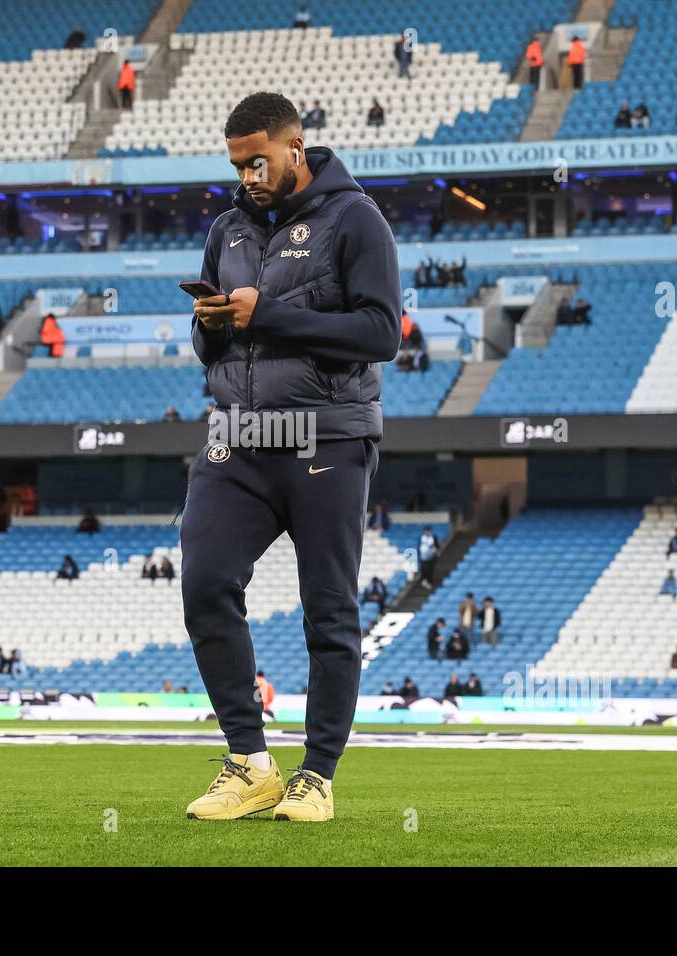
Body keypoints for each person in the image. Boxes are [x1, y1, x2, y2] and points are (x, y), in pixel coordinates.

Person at [181, 91, 399, 824]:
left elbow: (380, 334)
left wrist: (264, 314)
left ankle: (318, 776)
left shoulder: (356, 218)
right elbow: (215, 345)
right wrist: (211, 325)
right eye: (237, 163)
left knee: (328, 609)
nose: (247, 174)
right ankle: (248, 763)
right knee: (206, 580)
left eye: (259, 160)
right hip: (236, 433)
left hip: (326, 434)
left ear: (295, 148)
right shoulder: (225, 230)